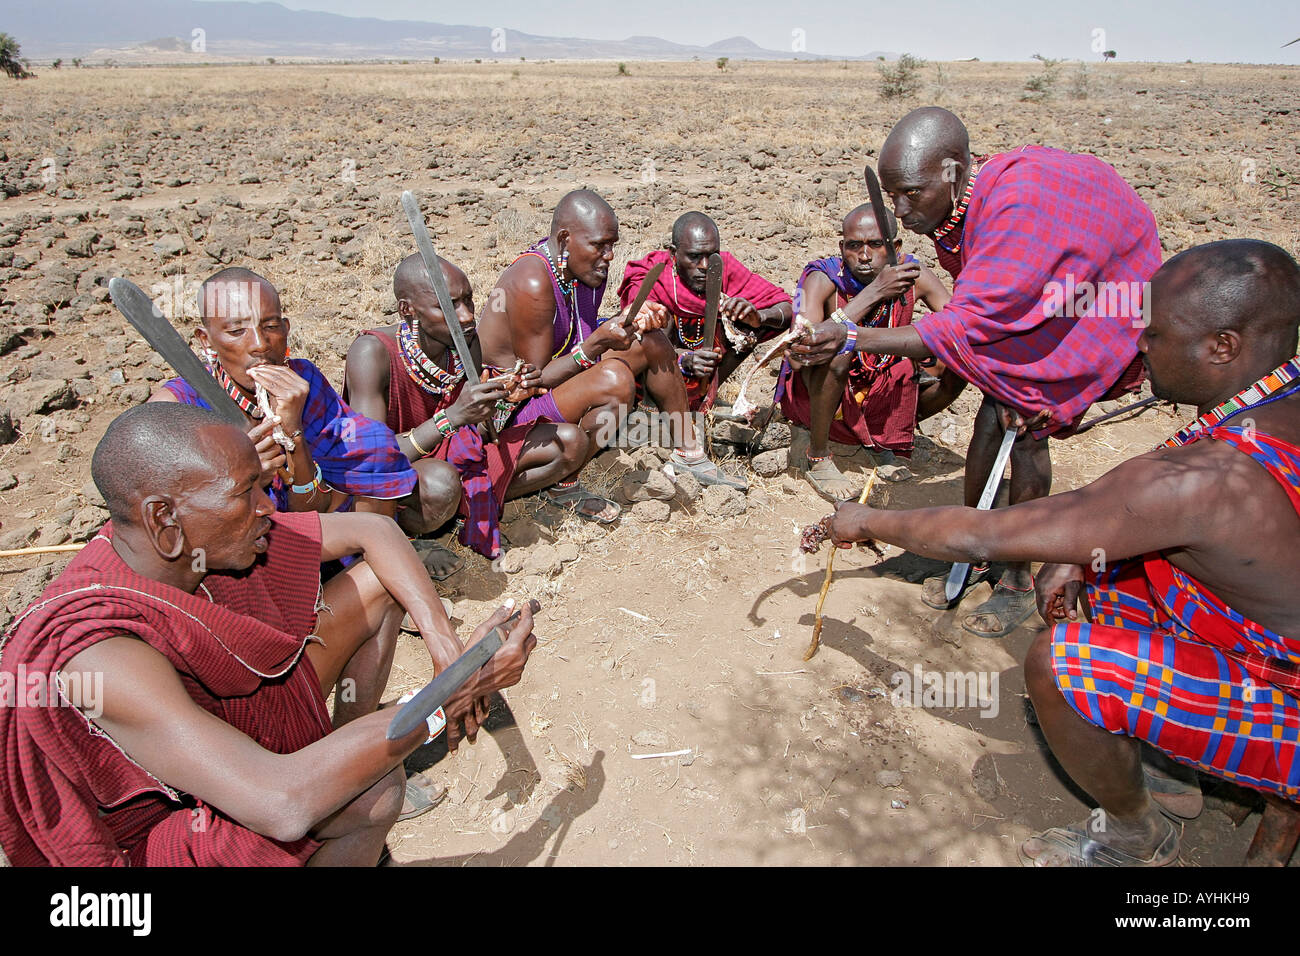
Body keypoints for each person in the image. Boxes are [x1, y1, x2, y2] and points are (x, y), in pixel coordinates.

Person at [826, 239, 1300, 866]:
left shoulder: (1207, 478)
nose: (1140, 346)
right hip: (1276, 639)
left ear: (1223, 347)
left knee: (1060, 665)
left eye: (1155, 335)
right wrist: (1079, 552)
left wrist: (867, 522)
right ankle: (1197, 776)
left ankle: (1137, 836)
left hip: (1288, 700)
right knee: (1110, 574)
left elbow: (986, 536)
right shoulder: (1270, 413)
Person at [0, 403, 537, 866]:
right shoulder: (103, 659)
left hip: (223, 750)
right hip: (159, 840)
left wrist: (448, 653)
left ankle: (342, 752)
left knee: (370, 769)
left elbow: (374, 529)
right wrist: (458, 689)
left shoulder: (188, 542)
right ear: (163, 519)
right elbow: (283, 805)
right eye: (245, 493)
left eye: (261, 485)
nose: (266, 507)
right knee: (369, 794)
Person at [791, 107, 1161, 638]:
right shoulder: (966, 207)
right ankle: (972, 549)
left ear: (953, 172)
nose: (899, 209)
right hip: (1043, 300)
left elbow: (969, 321)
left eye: (911, 193)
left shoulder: (1016, 208)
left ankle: (1013, 576)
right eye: (892, 194)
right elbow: (979, 307)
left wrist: (850, 334)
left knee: (1027, 430)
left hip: (1091, 306)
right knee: (993, 420)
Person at [477, 189, 747, 511]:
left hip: (553, 381)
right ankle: (562, 483)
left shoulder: (582, 269)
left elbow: (579, 333)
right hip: (509, 413)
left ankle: (689, 453)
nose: (609, 256)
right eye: (599, 245)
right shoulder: (533, 282)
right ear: (565, 239)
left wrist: (627, 320)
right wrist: (596, 344)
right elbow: (534, 382)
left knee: (651, 338)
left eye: (612, 246)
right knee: (614, 381)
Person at [345, 253, 587, 564]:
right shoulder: (371, 353)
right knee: (441, 484)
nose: (466, 316)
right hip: (402, 478)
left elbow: (477, 435)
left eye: (469, 301)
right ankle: (399, 535)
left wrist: (500, 401)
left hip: (455, 462)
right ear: (407, 310)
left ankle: (467, 507)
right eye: (448, 306)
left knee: (568, 443)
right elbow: (371, 460)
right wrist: (452, 417)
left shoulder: (467, 342)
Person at [150, 267, 418, 521]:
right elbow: (160, 512)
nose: (260, 344)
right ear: (206, 340)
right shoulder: (177, 408)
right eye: (236, 331)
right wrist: (240, 477)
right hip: (232, 544)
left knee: (372, 454)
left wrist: (294, 436)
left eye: (271, 326)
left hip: (314, 523)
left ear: (286, 329)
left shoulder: (304, 380)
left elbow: (314, 506)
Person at [777, 202, 963, 500]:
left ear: (895, 246)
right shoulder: (822, 279)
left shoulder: (912, 274)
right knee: (838, 351)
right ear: (841, 247)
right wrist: (875, 291)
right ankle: (818, 456)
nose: (864, 256)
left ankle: (885, 439)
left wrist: (924, 348)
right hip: (826, 397)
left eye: (875, 245)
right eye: (854, 246)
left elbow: (960, 328)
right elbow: (800, 357)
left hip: (877, 388)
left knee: (956, 362)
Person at [617, 211, 791, 413]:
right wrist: (684, 359)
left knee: (745, 329)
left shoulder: (723, 268)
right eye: (694, 257)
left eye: (712, 255)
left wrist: (759, 317)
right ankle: (655, 406)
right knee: (657, 321)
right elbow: (636, 331)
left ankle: (703, 399)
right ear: (673, 254)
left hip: (709, 365)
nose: (705, 266)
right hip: (660, 371)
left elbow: (786, 307)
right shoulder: (654, 276)